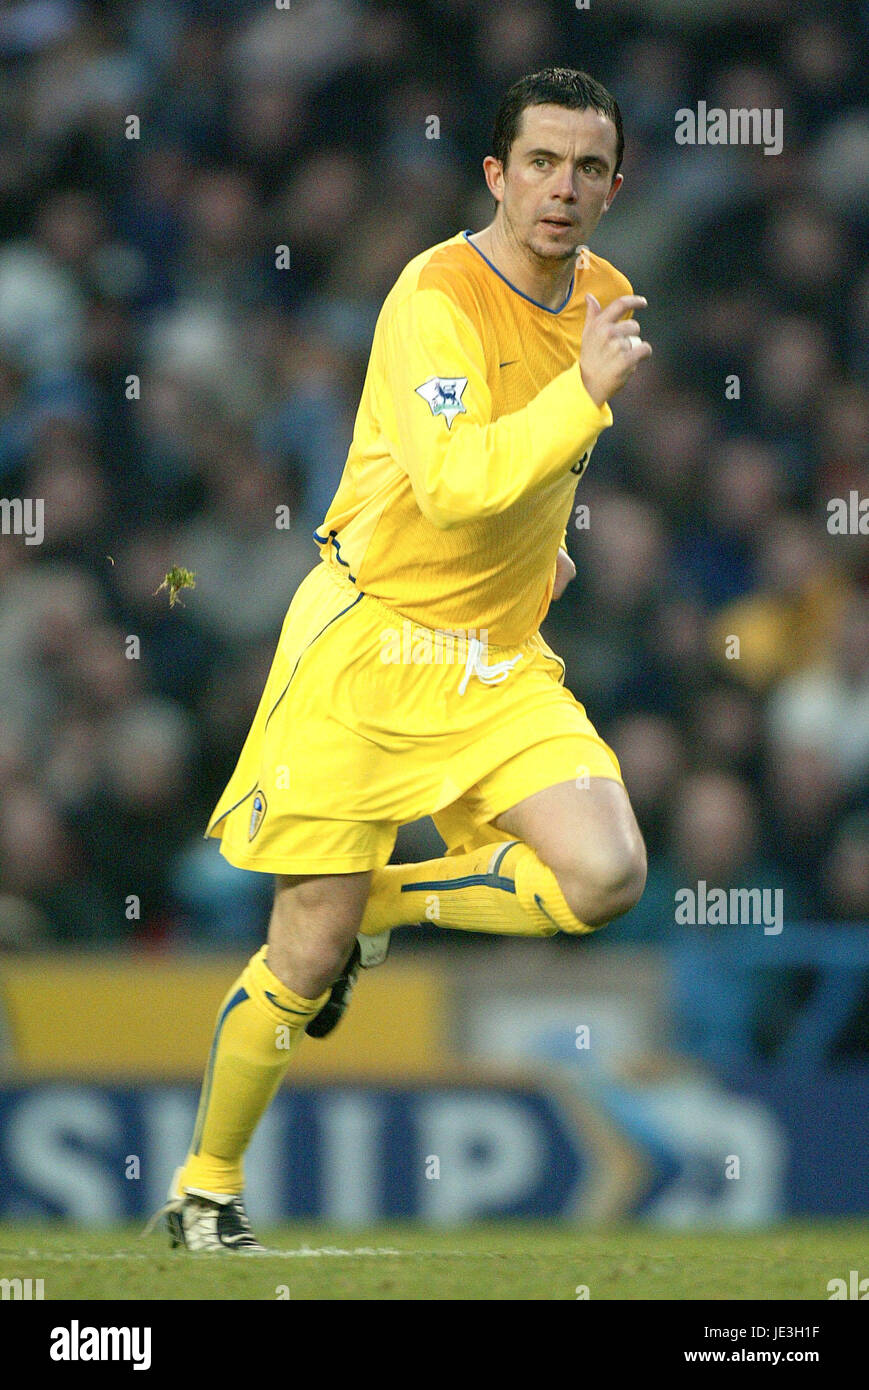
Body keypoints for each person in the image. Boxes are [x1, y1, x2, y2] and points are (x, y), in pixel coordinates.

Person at [149, 67, 652, 1252]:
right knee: (300, 944)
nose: (561, 188)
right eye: (539, 162)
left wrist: (545, 563)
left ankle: (390, 902)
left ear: (613, 187)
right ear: (494, 173)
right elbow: (456, 479)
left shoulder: (609, 294)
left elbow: (529, 485)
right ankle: (205, 1192)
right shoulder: (433, 292)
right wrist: (580, 401)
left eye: (587, 168)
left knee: (604, 875)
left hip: (491, 657)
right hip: (370, 647)